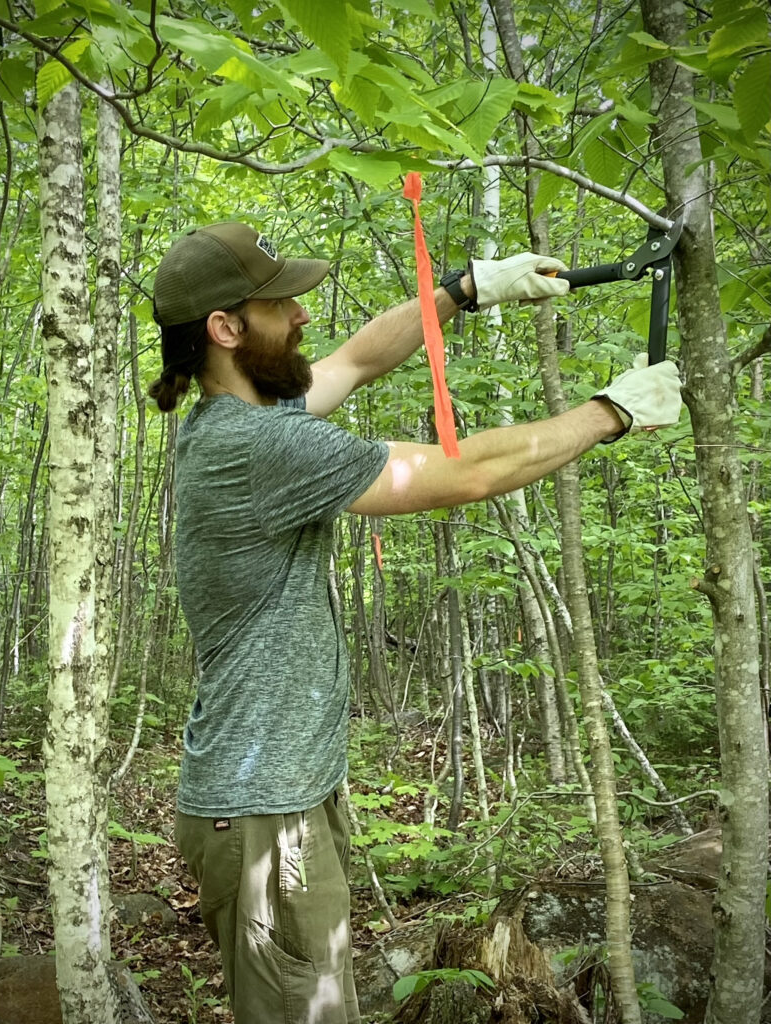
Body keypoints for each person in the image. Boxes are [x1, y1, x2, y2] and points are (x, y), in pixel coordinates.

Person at [149, 221, 682, 1024]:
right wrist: (610, 412)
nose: (301, 316)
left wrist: (464, 290)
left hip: (279, 794)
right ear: (226, 329)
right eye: (281, 303)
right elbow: (463, 473)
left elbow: (357, 360)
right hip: (262, 810)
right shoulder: (259, 446)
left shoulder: (242, 413)